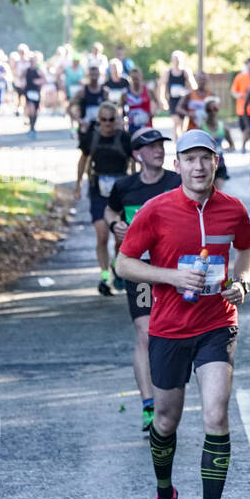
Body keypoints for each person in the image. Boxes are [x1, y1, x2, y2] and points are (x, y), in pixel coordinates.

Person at [114, 129, 250, 499]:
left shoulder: (232, 209)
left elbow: (246, 250)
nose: (198, 167)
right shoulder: (156, 211)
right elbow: (124, 264)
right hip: (170, 328)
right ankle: (165, 497)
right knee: (166, 419)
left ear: (216, 163)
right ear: (177, 165)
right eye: (190, 159)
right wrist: (171, 277)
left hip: (217, 323)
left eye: (206, 159)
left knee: (216, 415)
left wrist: (242, 282)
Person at [105, 127, 184, 437]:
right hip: (139, 269)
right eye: (150, 147)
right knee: (145, 333)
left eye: (161, 146)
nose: (158, 151)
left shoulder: (176, 183)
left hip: (174, 270)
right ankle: (149, 404)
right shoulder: (125, 187)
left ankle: (169, 397)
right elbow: (110, 209)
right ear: (137, 155)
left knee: (172, 334)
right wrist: (116, 225)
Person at [82, 102, 133, 295]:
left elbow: (135, 161)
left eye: (111, 120)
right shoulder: (92, 137)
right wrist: (79, 184)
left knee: (121, 237)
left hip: (120, 194)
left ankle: (115, 265)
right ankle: (104, 277)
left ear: (117, 120)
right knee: (102, 235)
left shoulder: (124, 139)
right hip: (98, 192)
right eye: (103, 120)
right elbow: (83, 159)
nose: (107, 124)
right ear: (99, 120)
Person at [70, 65, 109, 194]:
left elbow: (111, 108)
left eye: (96, 73)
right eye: (91, 73)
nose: (94, 76)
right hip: (87, 129)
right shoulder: (82, 92)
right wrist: (80, 121)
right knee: (85, 154)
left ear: (99, 74)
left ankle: (99, 180)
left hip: (103, 127)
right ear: (88, 75)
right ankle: (79, 183)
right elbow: (71, 108)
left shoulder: (105, 92)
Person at [230, 57, 250, 153]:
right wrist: (240, 95)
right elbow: (233, 91)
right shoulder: (240, 77)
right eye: (249, 65)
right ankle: (245, 145)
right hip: (242, 109)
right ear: (246, 65)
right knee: (246, 129)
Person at [164, 51, 193, 139]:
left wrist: (186, 92)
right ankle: (177, 142)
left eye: (178, 59)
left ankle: (182, 140)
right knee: (176, 122)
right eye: (175, 59)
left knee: (183, 124)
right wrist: (163, 98)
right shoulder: (168, 72)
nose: (177, 61)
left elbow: (193, 86)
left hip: (183, 101)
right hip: (173, 100)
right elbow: (163, 85)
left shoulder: (185, 72)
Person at [22, 52, 46, 139]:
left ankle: (33, 127)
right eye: (31, 60)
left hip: (36, 93)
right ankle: (31, 128)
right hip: (28, 92)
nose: (32, 62)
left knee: (35, 111)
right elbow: (21, 77)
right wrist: (23, 84)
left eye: (34, 61)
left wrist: (38, 81)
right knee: (31, 110)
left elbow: (44, 80)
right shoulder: (26, 70)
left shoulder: (39, 71)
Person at [124, 67, 154, 134]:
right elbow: (121, 107)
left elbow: (154, 103)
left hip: (146, 124)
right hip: (132, 125)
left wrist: (152, 112)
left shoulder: (148, 90)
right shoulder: (126, 92)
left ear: (141, 77)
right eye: (133, 78)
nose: (135, 80)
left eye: (137, 78)